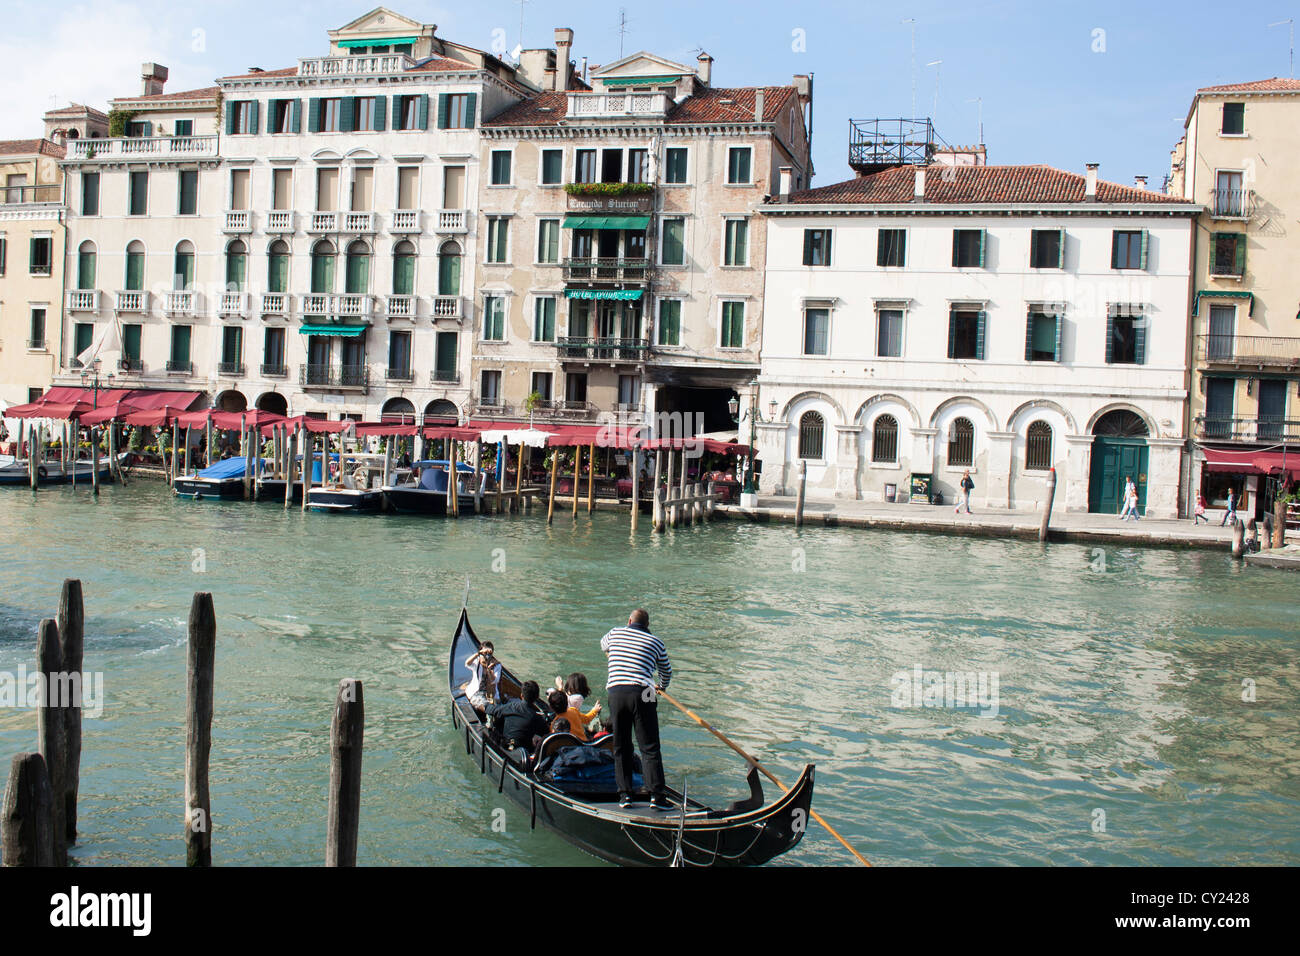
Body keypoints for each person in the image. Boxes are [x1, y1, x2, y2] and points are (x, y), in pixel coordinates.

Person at [601, 608, 672, 810]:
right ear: (647, 626)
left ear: (629, 620)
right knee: (649, 747)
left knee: (621, 746)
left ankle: (625, 796)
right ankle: (657, 797)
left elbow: (603, 644)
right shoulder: (656, 642)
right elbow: (666, 671)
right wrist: (662, 686)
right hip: (645, 692)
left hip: (616, 692)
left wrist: (614, 654)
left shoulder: (616, 633)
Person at [487, 680, 551, 754]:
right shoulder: (538, 719)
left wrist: (485, 704)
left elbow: (492, 710)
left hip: (506, 749)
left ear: (521, 695)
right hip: (525, 753)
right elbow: (547, 733)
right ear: (536, 698)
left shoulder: (511, 707)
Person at [463, 642, 501, 718]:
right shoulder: (477, 661)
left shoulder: (496, 665)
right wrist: (478, 654)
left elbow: (494, 681)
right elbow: (467, 663)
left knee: (497, 709)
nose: (487, 656)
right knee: (487, 708)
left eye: (489, 654)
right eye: (485, 653)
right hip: (476, 693)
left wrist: (489, 669)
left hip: (491, 694)